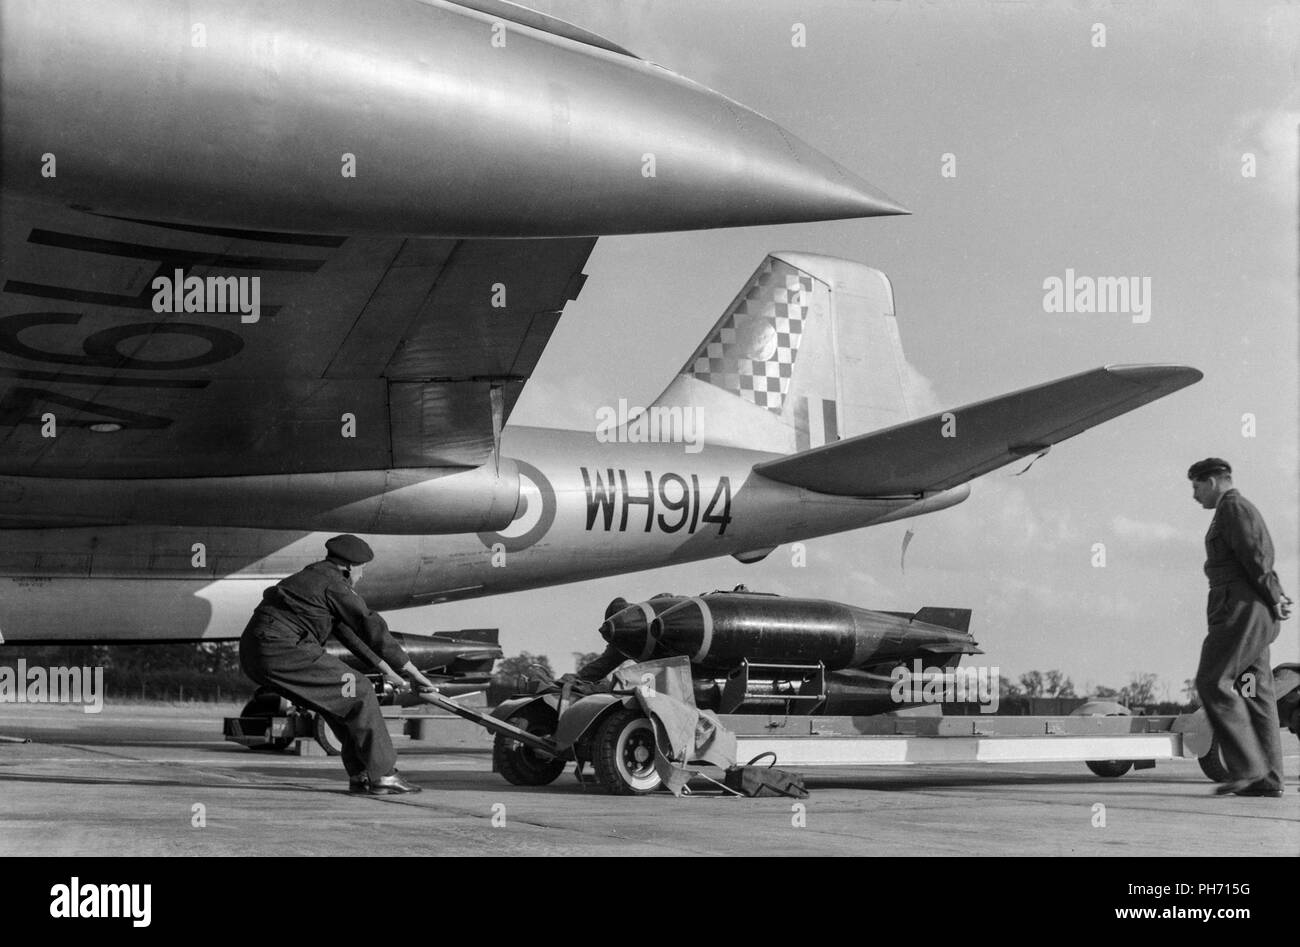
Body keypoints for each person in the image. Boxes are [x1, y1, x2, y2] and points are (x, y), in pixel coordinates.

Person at [240, 534, 437, 794]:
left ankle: (362, 775)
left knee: (339, 703)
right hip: (281, 649)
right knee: (361, 690)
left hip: (256, 653)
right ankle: (385, 775)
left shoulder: (311, 579)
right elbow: (370, 626)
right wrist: (413, 670)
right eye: (362, 568)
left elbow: (349, 634)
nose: (363, 575)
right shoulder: (333, 584)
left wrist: (391, 672)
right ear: (348, 567)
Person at [1187, 458, 1292, 797]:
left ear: (1214, 481)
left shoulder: (1234, 509)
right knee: (1254, 693)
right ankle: (1268, 779)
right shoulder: (1230, 510)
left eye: (1196, 486)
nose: (1194, 495)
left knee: (1212, 680)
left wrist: (1275, 594)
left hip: (1241, 614)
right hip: (1245, 612)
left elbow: (1257, 555)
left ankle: (1247, 768)